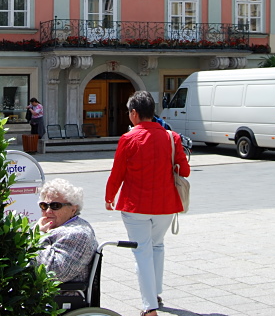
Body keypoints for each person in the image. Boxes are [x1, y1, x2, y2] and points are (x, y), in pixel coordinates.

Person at [105, 91, 190, 316]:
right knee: (157, 246)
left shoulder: (128, 138)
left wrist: (109, 196)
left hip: (135, 205)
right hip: (165, 204)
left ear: (134, 113)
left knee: (142, 251)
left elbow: (117, 173)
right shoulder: (172, 138)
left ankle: (149, 306)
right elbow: (186, 170)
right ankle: (156, 294)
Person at [35, 179, 97, 286]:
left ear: (73, 209)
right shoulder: (57, 226)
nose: (48, 211)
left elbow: (53, 273)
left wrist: (39, 235)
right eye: (44, 206)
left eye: (55, 206)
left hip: (58, 297)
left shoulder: (77, 234)